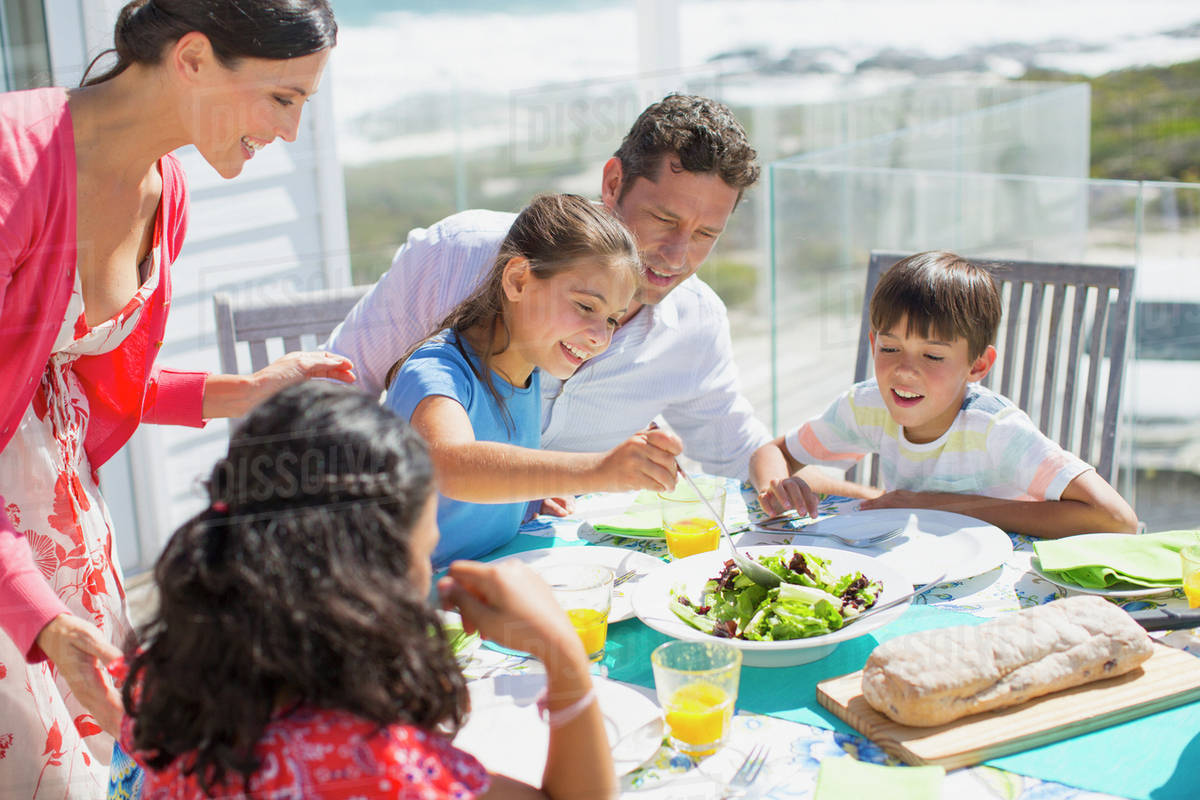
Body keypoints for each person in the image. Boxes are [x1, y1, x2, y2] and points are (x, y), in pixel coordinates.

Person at [0, 2, 354, 795]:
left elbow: (87, 389)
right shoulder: (11, 162)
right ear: (193, 58)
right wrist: (42, 621)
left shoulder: (167, 190)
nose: (292, 133)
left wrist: (252, 391)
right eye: (284, 97)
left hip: (62, 535)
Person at [113, 381, 614, 799]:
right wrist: (564, 654)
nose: (431, 577)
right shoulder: (380, 767)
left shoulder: (163, 697)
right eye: (424, 554)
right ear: (367, 579)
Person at [326, 94, 773, 499]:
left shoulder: (695, 322)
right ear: (614, 182)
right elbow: (336, 402)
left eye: (705, 234)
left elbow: (744, 452)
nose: (677, 257)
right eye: (663, 218)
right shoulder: (454, 261)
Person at [749, 251, 1139, 539]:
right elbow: (772, 452)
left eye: (933, 355)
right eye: (889, 348)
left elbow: (1116, 519)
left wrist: (933, 504)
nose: (904, 369)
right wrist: (776, 487)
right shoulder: (869, 406)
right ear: (873, 343)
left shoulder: (994, 429)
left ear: (977, 366)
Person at [384, 193, 682, 566]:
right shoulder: (436, 372)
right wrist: (598, 471)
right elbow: (453, 467)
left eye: (611, 320)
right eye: (586, 306)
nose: (600, 337)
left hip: (480, 581)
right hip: (408, 605)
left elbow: (484, 480)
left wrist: (526, 496)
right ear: (518, 280)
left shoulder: (527, 373)